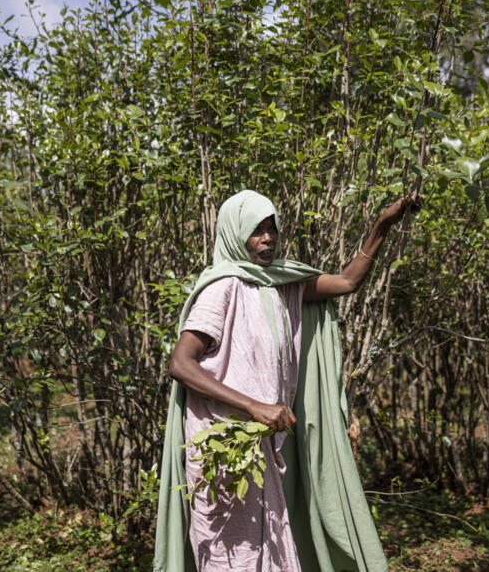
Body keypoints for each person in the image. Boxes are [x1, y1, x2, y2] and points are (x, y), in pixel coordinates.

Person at [154, 189, 421, 572]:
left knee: (273, 548)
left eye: (271, 229)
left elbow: (346, 282)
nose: (267, 238)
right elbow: (180, 363)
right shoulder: (221, 289)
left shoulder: (280, 284)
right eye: (256, 231)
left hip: (265, 443)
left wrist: (383, 224)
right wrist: (253, 405)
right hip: (223, 444)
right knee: (232, 554)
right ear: (234, 234)